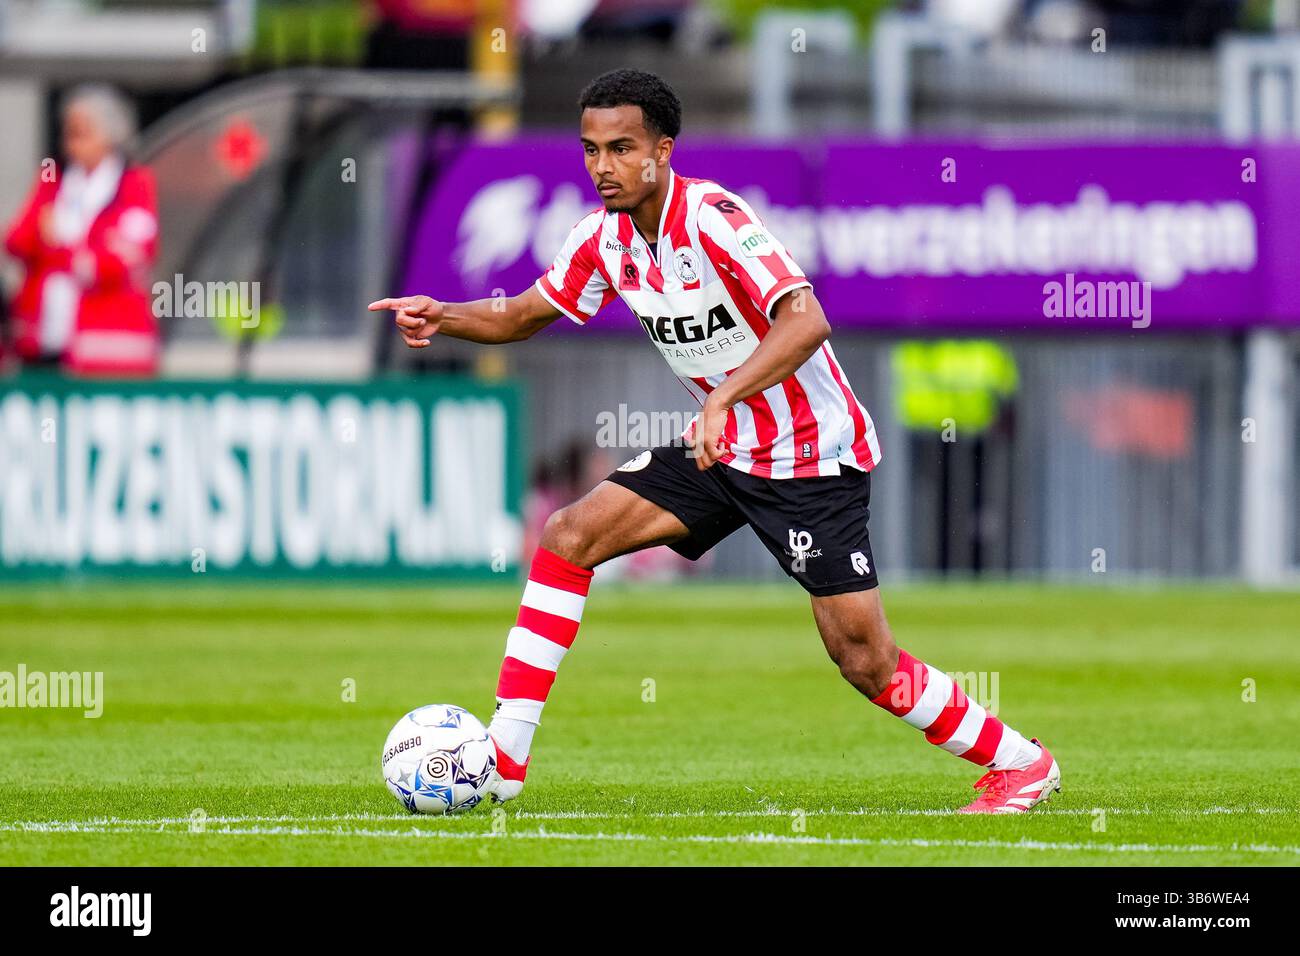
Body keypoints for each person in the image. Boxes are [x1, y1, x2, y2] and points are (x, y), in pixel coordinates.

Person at [369, 69, 1061, 813]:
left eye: (622, 148)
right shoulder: (602, 240)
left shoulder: (716, 219)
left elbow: (806, 320)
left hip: (809, 458)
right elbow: (521, 316)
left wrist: (725, 396)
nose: (603, 166)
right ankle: (505, 760)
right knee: (569, 535)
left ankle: (1021, 762)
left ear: (663, 150)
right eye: (591, 149)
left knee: (865, 661)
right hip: (720, 450)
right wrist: (444, 314)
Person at [4, 84, 160, 376]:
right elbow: (16, 241)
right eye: (70, 134)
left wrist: (59, 249)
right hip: (43, 337)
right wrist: (60, 246)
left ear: (110, 137)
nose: (73, 144)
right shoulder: (53, 179)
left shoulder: (133, 184)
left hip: (105, 343)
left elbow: (119, 262)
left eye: (83, 134)